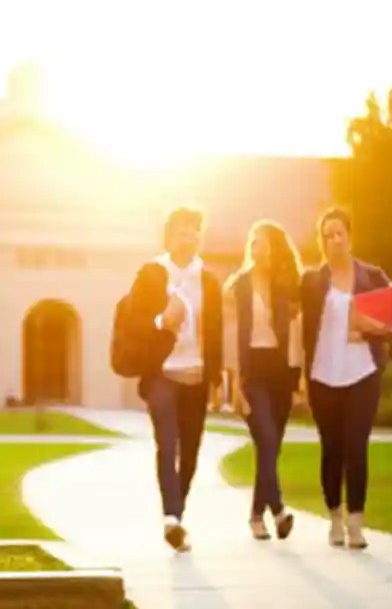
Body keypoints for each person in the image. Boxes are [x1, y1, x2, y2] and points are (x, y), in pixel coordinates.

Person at [124, 206, 223, 551]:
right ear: (169, 237)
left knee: (191, 451)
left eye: (195, 231)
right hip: (162, 373)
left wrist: (216, 378)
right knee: (168, 443)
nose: (190, 237)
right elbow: (132, 321)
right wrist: (160, 321)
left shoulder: (208, 281)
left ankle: (177, 514)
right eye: (182, 231)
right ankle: (171, 517)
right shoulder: (152, 273)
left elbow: (216, 333)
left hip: (196, 373)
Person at [300, 207, 391, 550]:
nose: (334, 240)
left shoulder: (372, 276)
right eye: (328, 235)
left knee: (356, 446)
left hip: (363, 373)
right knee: (332, 449)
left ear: (349, 236)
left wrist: (369, 329)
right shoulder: (312, 281)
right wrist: (299, 375)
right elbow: (302, 327)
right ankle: (335, 518)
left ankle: (356, 523)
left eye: (339, 233)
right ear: (322, 241)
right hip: (323, 376)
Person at [224, 220, 304, 541]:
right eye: (254, 242)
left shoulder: (286, 286)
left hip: (281, 371)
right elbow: (230, 336)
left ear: (275, 249)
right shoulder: (238, 285)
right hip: (252, 371)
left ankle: (258, 516)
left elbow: (299, 334)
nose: (258, 248)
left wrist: (299, 381)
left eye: (264, 243)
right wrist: (233, 386)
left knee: (269, 449)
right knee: (268, 440)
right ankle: (279, 510)